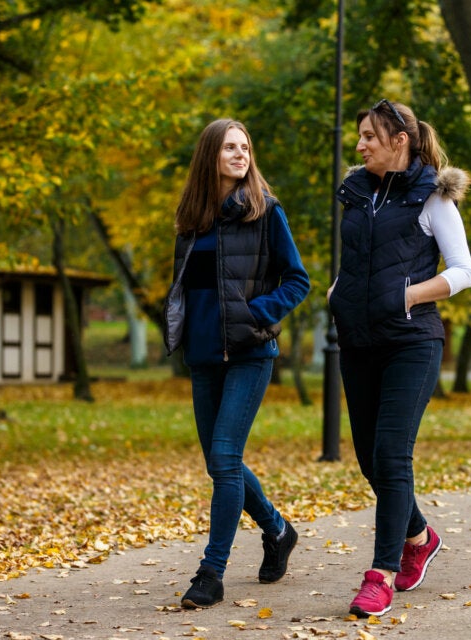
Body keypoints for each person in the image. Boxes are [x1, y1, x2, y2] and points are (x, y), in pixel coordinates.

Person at [327, 99, 471, 617]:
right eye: (361, 135)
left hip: (412, 342)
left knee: (391, 454)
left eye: (370, 135)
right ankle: (419, 536)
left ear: (399, 140)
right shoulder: (356, 194)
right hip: (359, 340)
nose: (361, 144)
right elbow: (354, 264)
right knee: (370, 458)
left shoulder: (432, 197)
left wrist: (409, 296)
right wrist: (338, 294)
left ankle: (381, 574)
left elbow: (462, 272)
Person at [162, 118, 310, 609]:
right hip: (203, 358)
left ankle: (212, 572)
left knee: (224, 458)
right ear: (211, 155)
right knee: (219, 463)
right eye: (230, 147)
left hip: (249, 354)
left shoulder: (266, 213)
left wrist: (255, 314)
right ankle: (278, 529)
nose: (240, 154)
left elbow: (297, 280)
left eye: (245, 147)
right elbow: (188, 288)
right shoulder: (192, 219)